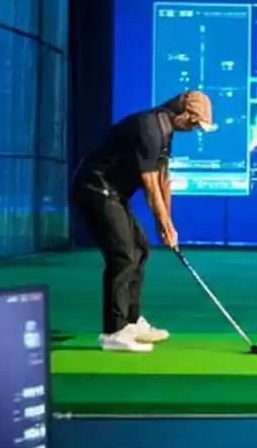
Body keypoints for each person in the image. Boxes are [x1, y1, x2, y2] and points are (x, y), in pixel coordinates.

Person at [71, 90, 216, 352]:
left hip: (113, 194)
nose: (194, 129)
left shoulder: (165, 132)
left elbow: (163, 181)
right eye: (194, 123)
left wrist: (168, 224)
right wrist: (163, 224)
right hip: (94, 189)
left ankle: (131, 321)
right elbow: (150, 187)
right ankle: (113, 331)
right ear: (183, 114)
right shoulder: (149, 129)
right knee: (122, 255)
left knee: (140, 248)